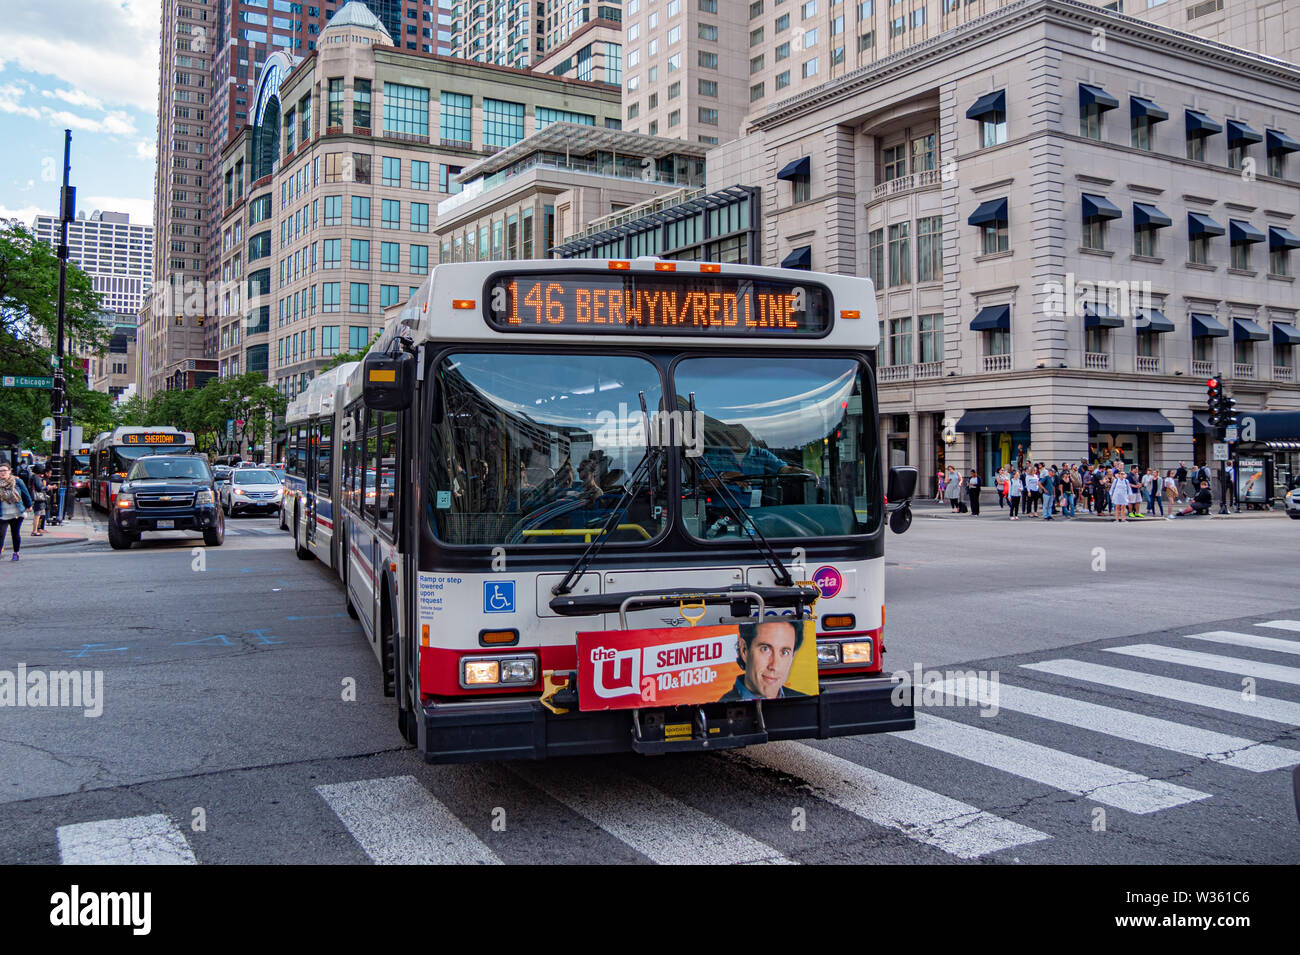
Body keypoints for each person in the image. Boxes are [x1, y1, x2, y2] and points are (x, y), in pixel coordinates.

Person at [718, 620, 807, 701]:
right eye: (765, 649)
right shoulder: (719, 709)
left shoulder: (805, 703)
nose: (774, 666)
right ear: (744, 650)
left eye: (784, 652)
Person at [0, 461, 34, 561]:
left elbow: (25, 493)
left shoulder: (17, 482)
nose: (2, 473)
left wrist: (29, 505)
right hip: (3, 514)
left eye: (4, 471)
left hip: (16, 513)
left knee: (15, 533)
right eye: (0, 471)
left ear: (10, 471)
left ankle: (16, 552)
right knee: (1, 534)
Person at [28, 465, 46, 536]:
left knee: (37, 514)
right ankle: (35, 530)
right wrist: (47, 487)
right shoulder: (37, 478)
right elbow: (39, 488)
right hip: (38, 498)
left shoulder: (32, 477)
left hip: (33, 497)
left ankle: (35, 530)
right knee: (37, 515)